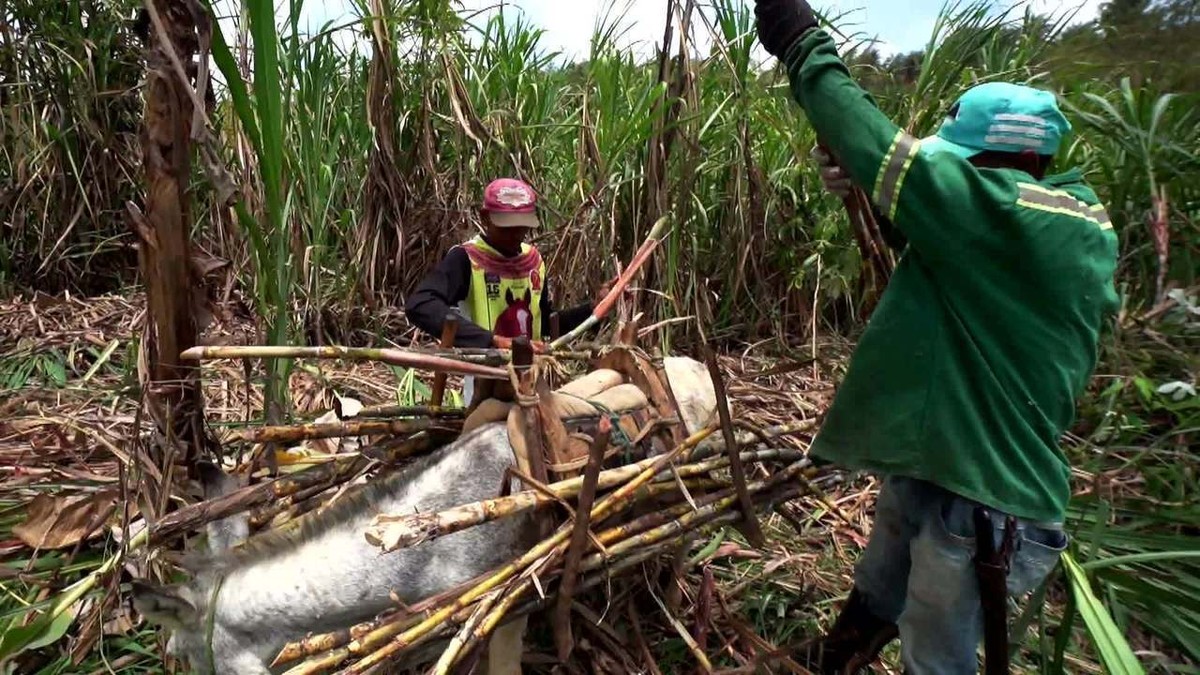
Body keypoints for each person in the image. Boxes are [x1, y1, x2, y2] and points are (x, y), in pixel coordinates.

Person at [752, 1, 1121, 672]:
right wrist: (863, 196)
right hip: (946, 455)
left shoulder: (1010, 213)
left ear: (996, 157)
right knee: (882, 578)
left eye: (960, 165)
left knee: (936, 651)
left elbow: (867, 134)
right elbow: (953, 251)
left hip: (985, 500)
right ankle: (833, 659)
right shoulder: (1055, 221)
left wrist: (799, 40)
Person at [405, 178, 609, 403]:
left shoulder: (533, 261)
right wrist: (490, 340)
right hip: (487, 388)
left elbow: (543, 324)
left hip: (534, 385)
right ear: (485, 218)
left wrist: (593, 308)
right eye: (507, 226)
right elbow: (420, 304)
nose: (515, 233)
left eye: (520, 227)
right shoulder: (467, 260)